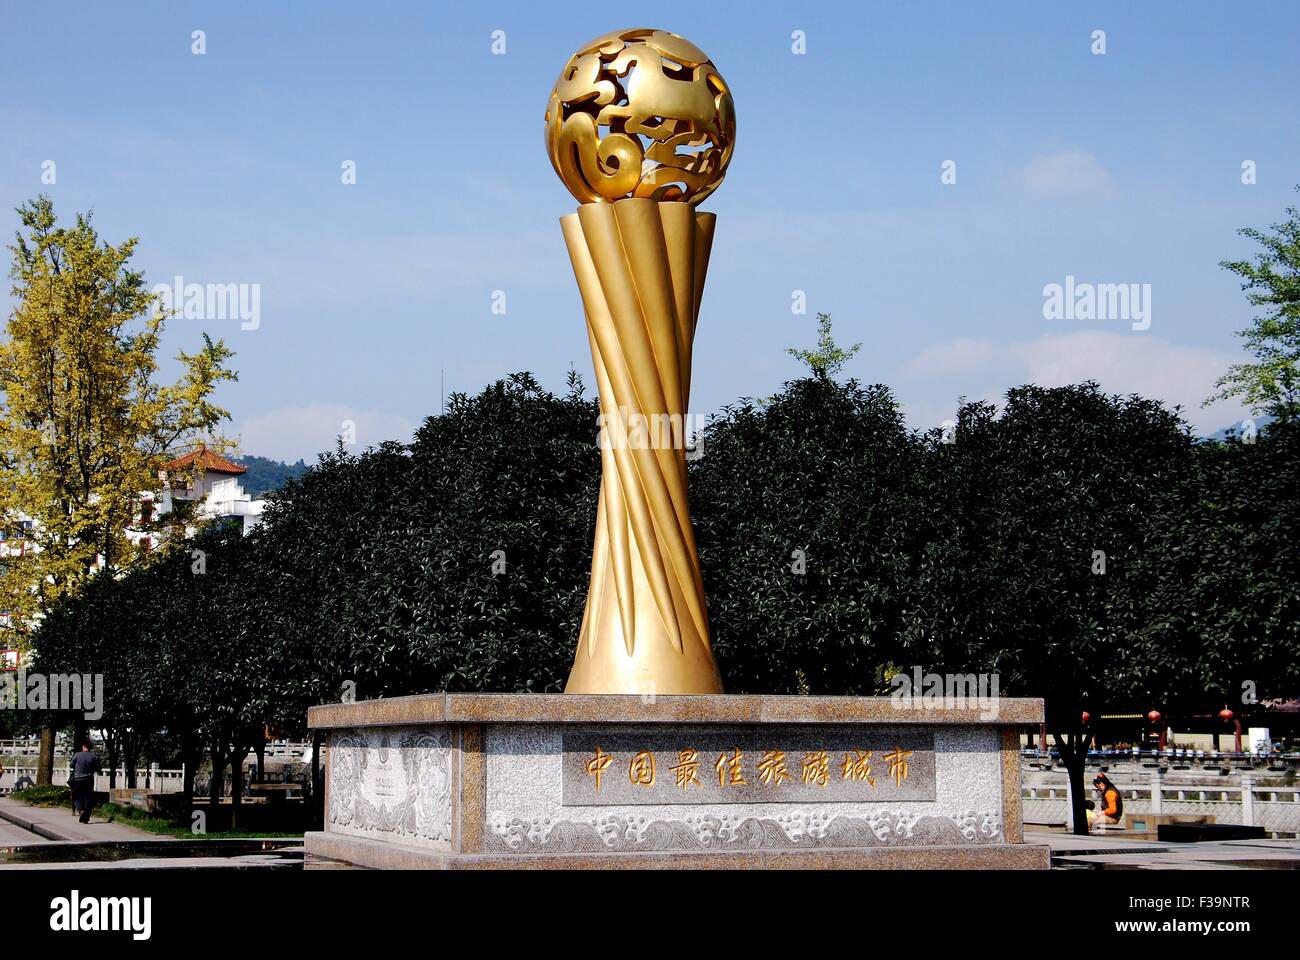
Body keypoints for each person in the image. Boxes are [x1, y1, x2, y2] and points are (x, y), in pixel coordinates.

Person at [69, 740, 101, 824]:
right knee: (88, 797)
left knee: (76, 796)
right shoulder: (94, 756)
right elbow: (98, 767)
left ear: (83, 747)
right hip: (89, 779)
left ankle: (81, 810)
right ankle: (86, 817)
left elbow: (71, 765)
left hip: (77, 779)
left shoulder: (77, 754)